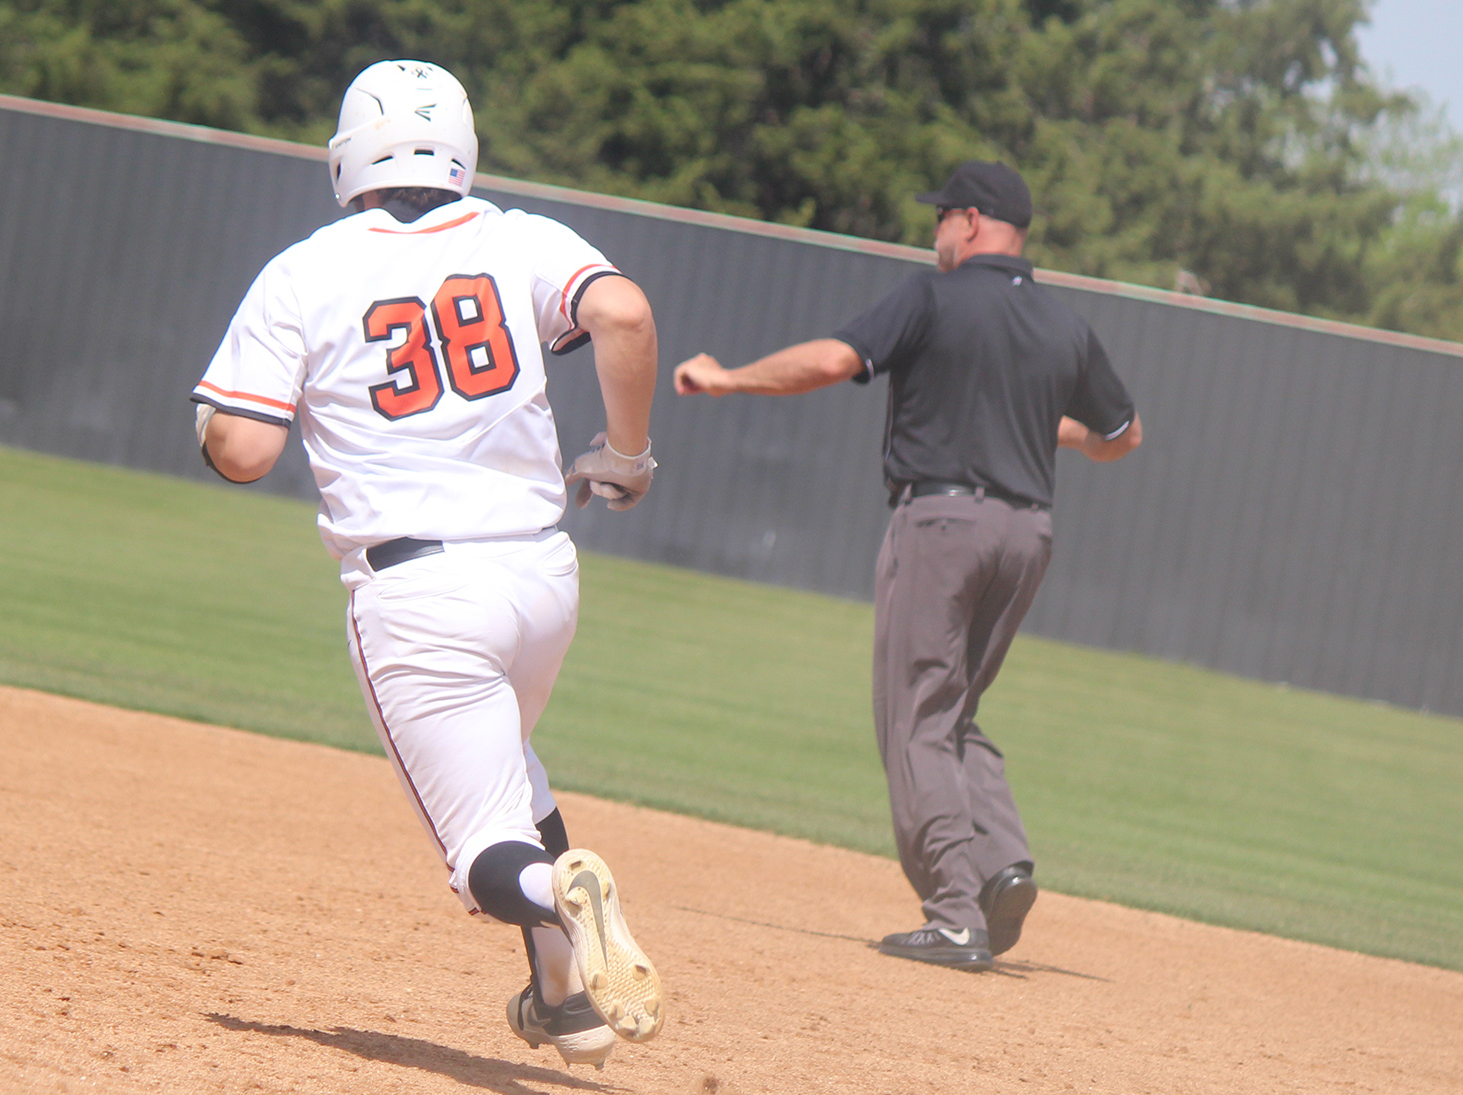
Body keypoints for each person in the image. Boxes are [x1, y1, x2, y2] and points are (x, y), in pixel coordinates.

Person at [191, 60, 664, 1065]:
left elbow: (244, 451)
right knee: (511, 768)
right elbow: (620, 314)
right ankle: (562, 996)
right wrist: (624, 456)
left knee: (485, 856)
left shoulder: (305, 270)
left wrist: (208, 424)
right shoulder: (516, 237)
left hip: (418, 594)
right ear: (463, 149)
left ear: (342, 157)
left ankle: (556, 892)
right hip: (541, 578)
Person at [673, 161, 1142, 971]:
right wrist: (1044, 430)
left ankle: (958, 912)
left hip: (944, 520)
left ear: (969, 220)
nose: (933, 235)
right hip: (1027, 529)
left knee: (916, 718)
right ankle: (1001, 863)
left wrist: (726, 379)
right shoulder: (1065, 324)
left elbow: (830, 360)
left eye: (939, 219)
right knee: (952, 708)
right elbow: (1123, 435)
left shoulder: (934, 298)